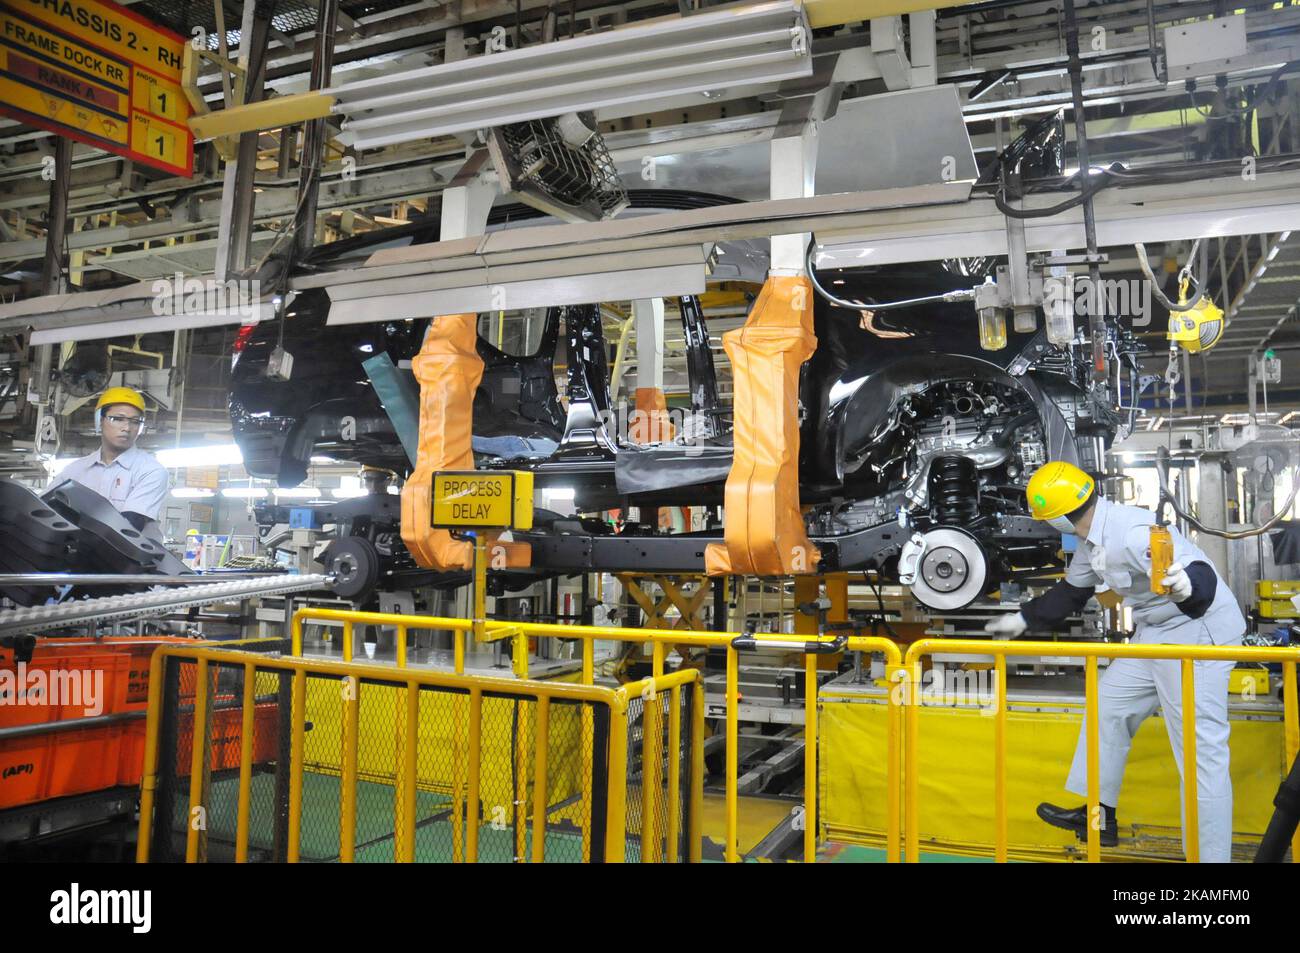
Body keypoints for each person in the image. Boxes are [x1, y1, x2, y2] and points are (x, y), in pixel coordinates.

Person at [984, 460, 1245, 862]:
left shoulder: (1129, 532)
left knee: (1200, 755)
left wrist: (1188, 585)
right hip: (1154, 633)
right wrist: (1021, 620)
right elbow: (1071, 593)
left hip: (1198, 630)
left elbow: (1200, 573)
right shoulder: (1093, 542)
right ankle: (1099, 816)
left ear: (1056, 519)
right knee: (1108, 705)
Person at [58, 386, 169, 525]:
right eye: (117, 419)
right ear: (100, 420)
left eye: (135, 421)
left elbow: (128, 529)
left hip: (128, 547)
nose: (127, 428)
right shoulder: (74, 470)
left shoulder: (151, 471)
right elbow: (43, 509)